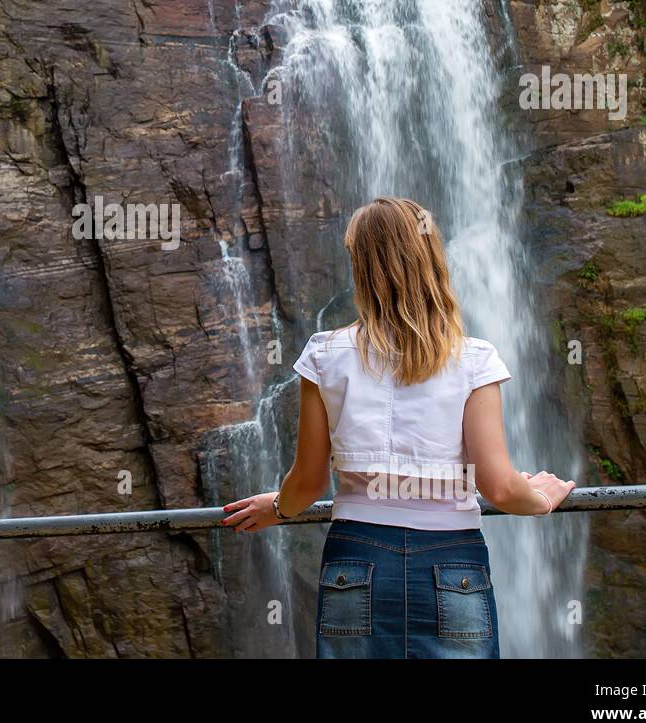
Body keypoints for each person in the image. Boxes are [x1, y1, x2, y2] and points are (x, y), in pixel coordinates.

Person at [221, 197, 575, 658]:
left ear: (363, 269)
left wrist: (281, 508)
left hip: (357, 558)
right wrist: (542, 498)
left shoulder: (325, 355)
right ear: (430, 260)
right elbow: (502, 489)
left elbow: (308, 482)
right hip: (453, 562)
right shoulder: (476, 360)